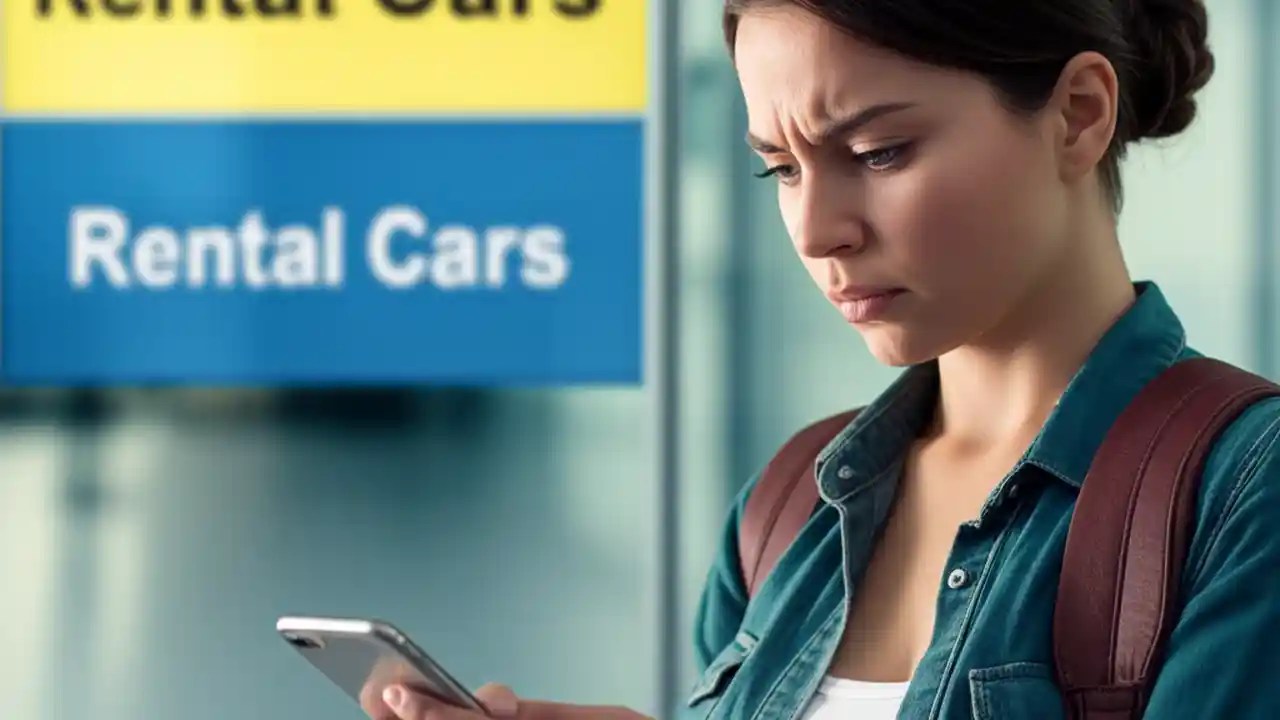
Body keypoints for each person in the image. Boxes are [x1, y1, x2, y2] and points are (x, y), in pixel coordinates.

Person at [364, 0, 1280, 718]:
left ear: (1078, 116)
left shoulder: (1244, 494)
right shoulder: (792, 502)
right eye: (782, 168)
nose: (815, 230)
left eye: (879, 153)